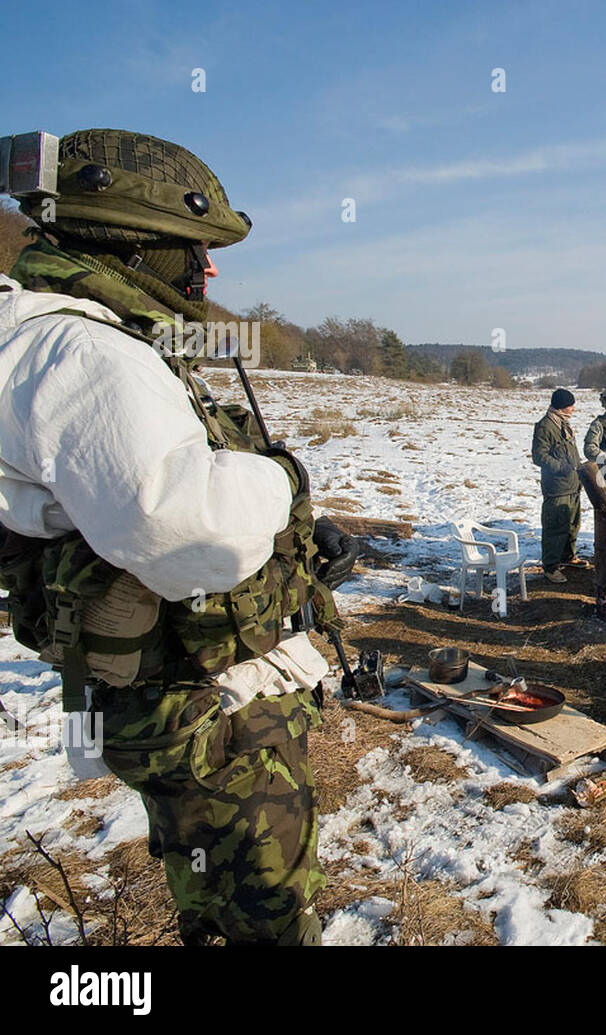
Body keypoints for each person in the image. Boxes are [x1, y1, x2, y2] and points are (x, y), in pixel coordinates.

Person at [0, 129, 356, 945]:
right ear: (133, 238)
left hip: (184, 694)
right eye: (195, 244)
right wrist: (283, 484)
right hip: (202, 703)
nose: (210, 268)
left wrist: (298, 537)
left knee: (215, 895)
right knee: (261, 915)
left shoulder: (57, 331)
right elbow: (186, 527)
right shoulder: (82, 351)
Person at [531, 388, 586, 583]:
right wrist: (560, 467)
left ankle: (568, 557)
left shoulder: (564, 424)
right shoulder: (546, 426)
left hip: (572, 485)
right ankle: (551, 566)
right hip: (557, 486)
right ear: (562, 406)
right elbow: (539, 455)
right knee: (555, 527)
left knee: (572, 525)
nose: (573, 409)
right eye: (571, 405)